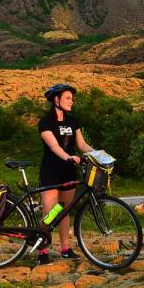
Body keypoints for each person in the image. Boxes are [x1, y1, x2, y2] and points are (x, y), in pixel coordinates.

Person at [37, 83, 94, 263]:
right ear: (56, 100)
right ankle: (43, 251)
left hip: (69, 171)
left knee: (64, 210)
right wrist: (68, 157)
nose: (72, 101)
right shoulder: (45, 122)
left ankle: (65, 248)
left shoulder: (73, 121)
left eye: (72, 98)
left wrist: (99, 155)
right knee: (51, 212)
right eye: (68, 98)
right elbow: (53, 146)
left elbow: (82, 145)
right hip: (51, 171)